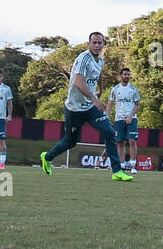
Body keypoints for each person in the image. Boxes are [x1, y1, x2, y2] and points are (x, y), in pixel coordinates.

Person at [39, 32, 132, 181]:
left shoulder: (100, 60)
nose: (97, 45)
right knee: (70, 142)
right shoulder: (83, 58)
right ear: (89, 44)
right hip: (74, 109)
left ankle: (117, 171)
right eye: (94, 42)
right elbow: (78, 82)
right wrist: (94, 99)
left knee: (109, 132)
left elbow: (99, 74)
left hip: (89, 108)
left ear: (103, 45)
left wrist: (101, 89)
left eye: (99, 43)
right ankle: (47, 157)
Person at [110, 67, 142, 174]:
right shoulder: (115, 89)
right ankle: (122, 165)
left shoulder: (133, 89)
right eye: (125, 74)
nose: (127, 76)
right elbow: (110, 103)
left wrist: (130, 116)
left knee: (132, 141)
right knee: (120, 142)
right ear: (121, 76)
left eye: (128, 75)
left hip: (131, 118)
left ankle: (133, 165)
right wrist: (106, 116)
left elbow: (137, 105)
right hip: (119, 119)